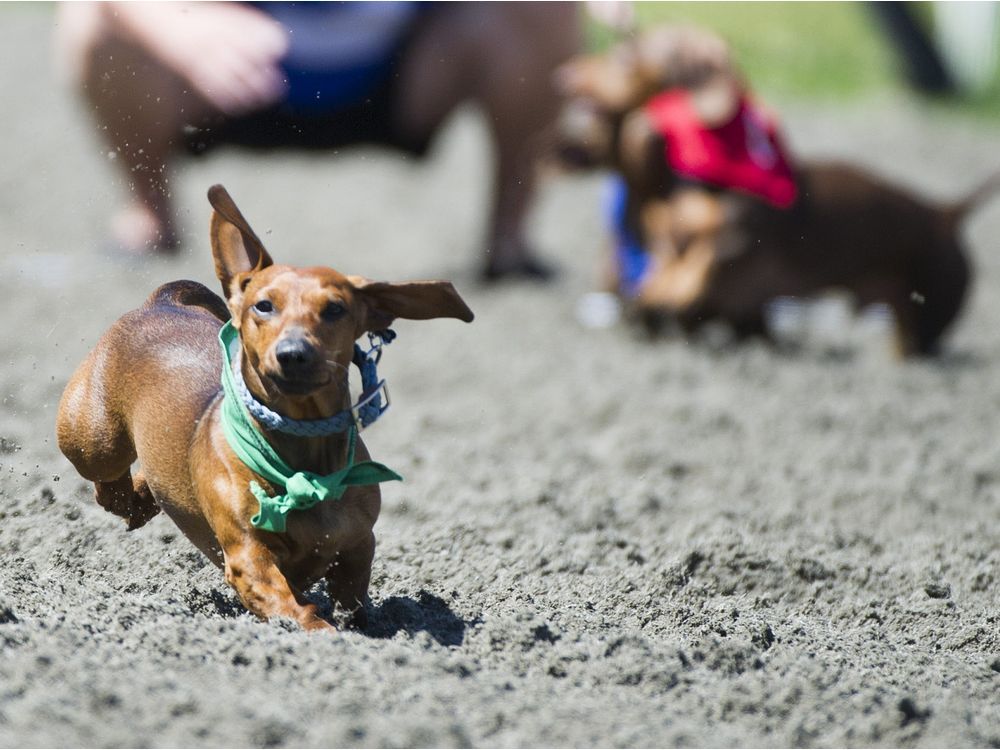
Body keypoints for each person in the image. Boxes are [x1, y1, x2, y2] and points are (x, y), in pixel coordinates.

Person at [55, 2, 580, 281]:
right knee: (94, 16)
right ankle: (150, 216)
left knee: (547, 5)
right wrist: (177, 26)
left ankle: (509, 243)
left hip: (401, 71)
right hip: (226, 70)